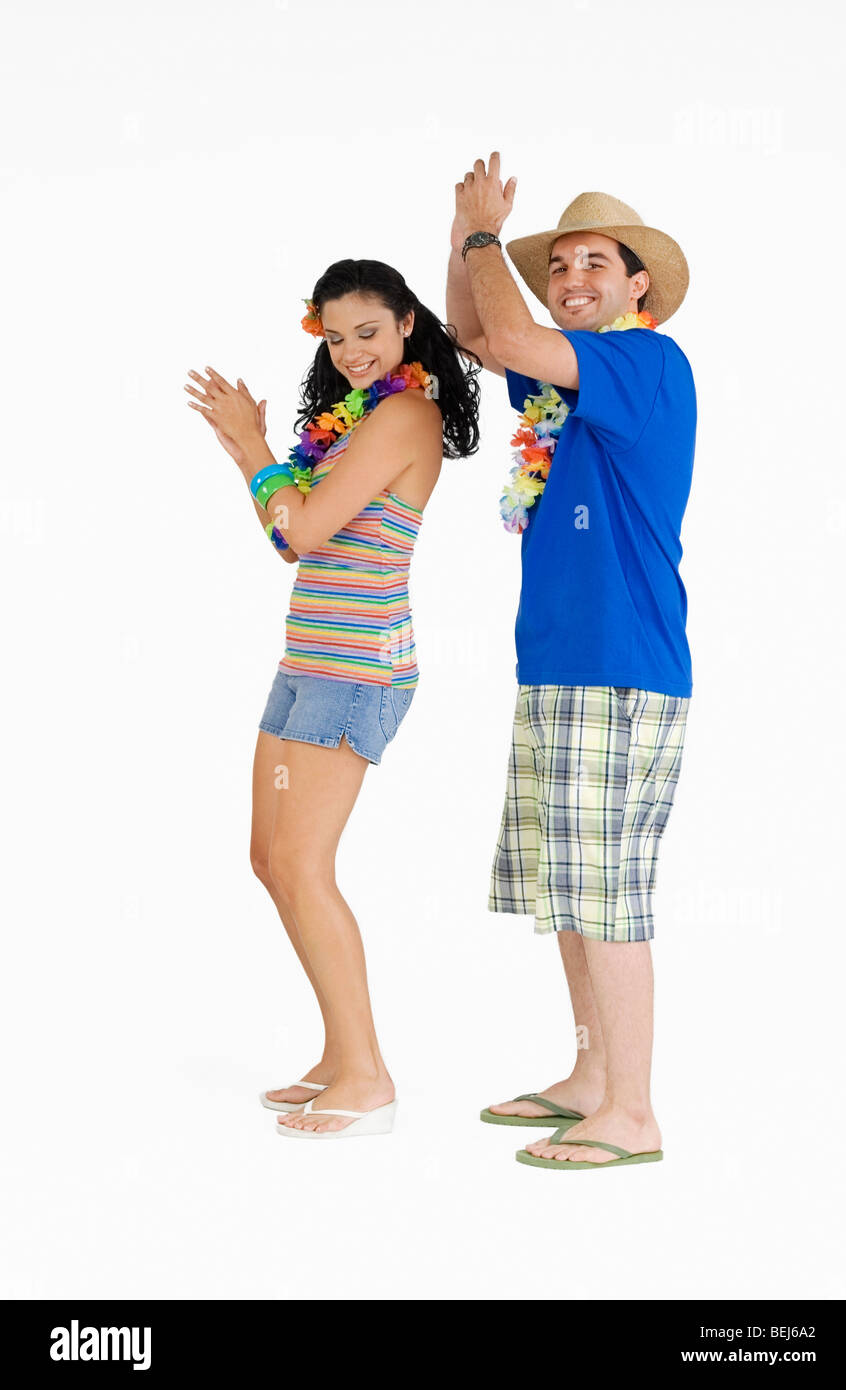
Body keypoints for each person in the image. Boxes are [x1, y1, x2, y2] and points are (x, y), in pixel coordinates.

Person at [185, 260, 479, 1139]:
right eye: (337, 334)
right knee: (272, 860)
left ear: (407, 328)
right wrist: (263, 467)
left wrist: (249, 450)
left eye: (371, 332)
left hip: (357, 667)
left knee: (304, 867)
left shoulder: (405, 414)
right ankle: (339, 1050)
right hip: (308, 658)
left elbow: (302, 524)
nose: (353, 351)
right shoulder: (350, 424)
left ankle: (367, 1072)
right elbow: (290, 544)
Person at [446, 154, 696, 1170]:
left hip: (618, 666)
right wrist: (464, 226)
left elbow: (500, 324)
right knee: (570, 890)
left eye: (595, 261)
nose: (572, 275)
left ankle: (631, 1110)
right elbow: (473, 331)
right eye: (558, 265)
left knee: (609, 893)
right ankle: (590, 1077)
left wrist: (481, 241)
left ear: (637, 285)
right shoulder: (561, 386)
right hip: (557, 666)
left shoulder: (643, 366)